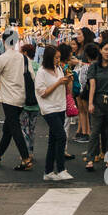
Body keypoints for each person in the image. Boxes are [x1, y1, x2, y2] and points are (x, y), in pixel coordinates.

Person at [0, 36, 32, 170]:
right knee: (8, 127)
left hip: (9, 98)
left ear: (3, 42)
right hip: (22, 96)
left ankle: (26, 159)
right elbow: (32, 76)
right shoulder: (23, 58)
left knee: (14, 127)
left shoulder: (2, 58)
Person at [35, 45, 73, 181]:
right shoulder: (42, 72)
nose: (58, 60)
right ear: (49, 58)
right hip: (48, 108)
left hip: (60, 106)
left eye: (58, 57)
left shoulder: (59, 69)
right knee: (61, 136)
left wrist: (68, 81)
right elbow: (42, 93)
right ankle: (61, 168)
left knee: (53, 140)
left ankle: (48, 171)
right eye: (56, 58)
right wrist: (58, 83)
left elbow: (66, 89)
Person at [85, 42, 108, 171]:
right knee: (95, 131)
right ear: (100, 50)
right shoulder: (94, 67)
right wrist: (90, 103)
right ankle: (90, 158)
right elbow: (92, 85)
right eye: (105, 49)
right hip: (98, 100)